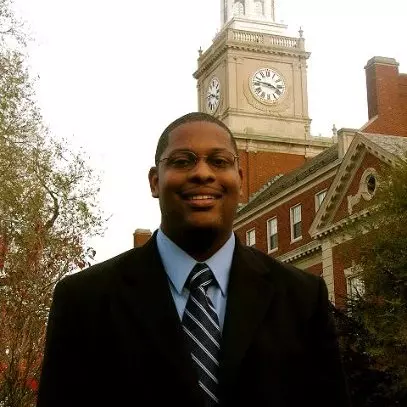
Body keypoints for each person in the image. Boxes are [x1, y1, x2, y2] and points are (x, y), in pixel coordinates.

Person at [37, 112, 351, 407]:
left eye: (219, 161)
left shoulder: (303, 298)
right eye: (183, 161)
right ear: (154, 182)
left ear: (239, 180)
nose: (202, 173)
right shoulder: (84, 300)